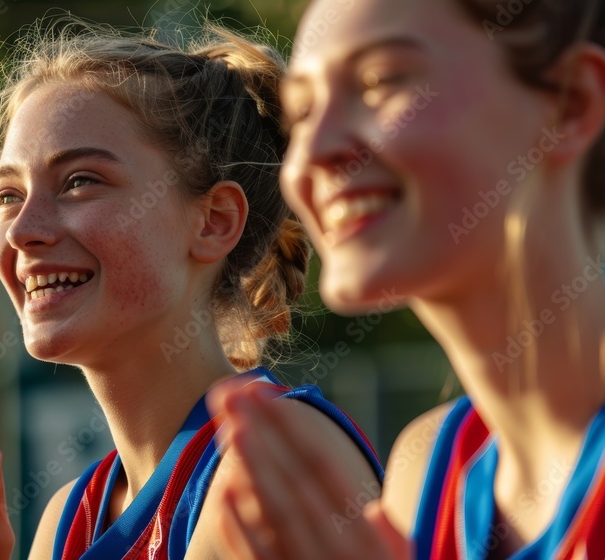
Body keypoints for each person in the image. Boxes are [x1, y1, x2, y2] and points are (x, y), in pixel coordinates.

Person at [0, 20, 385, 560]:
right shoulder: (69, 516)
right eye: (8, 195)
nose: (22, 231)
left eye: (81, 181)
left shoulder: (278, 459)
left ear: (214, 221)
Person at [209, 0, 605, 558]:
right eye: (302, 114)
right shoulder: (423, 476)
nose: (314, 153)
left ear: (572, 102)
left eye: (381, 81)